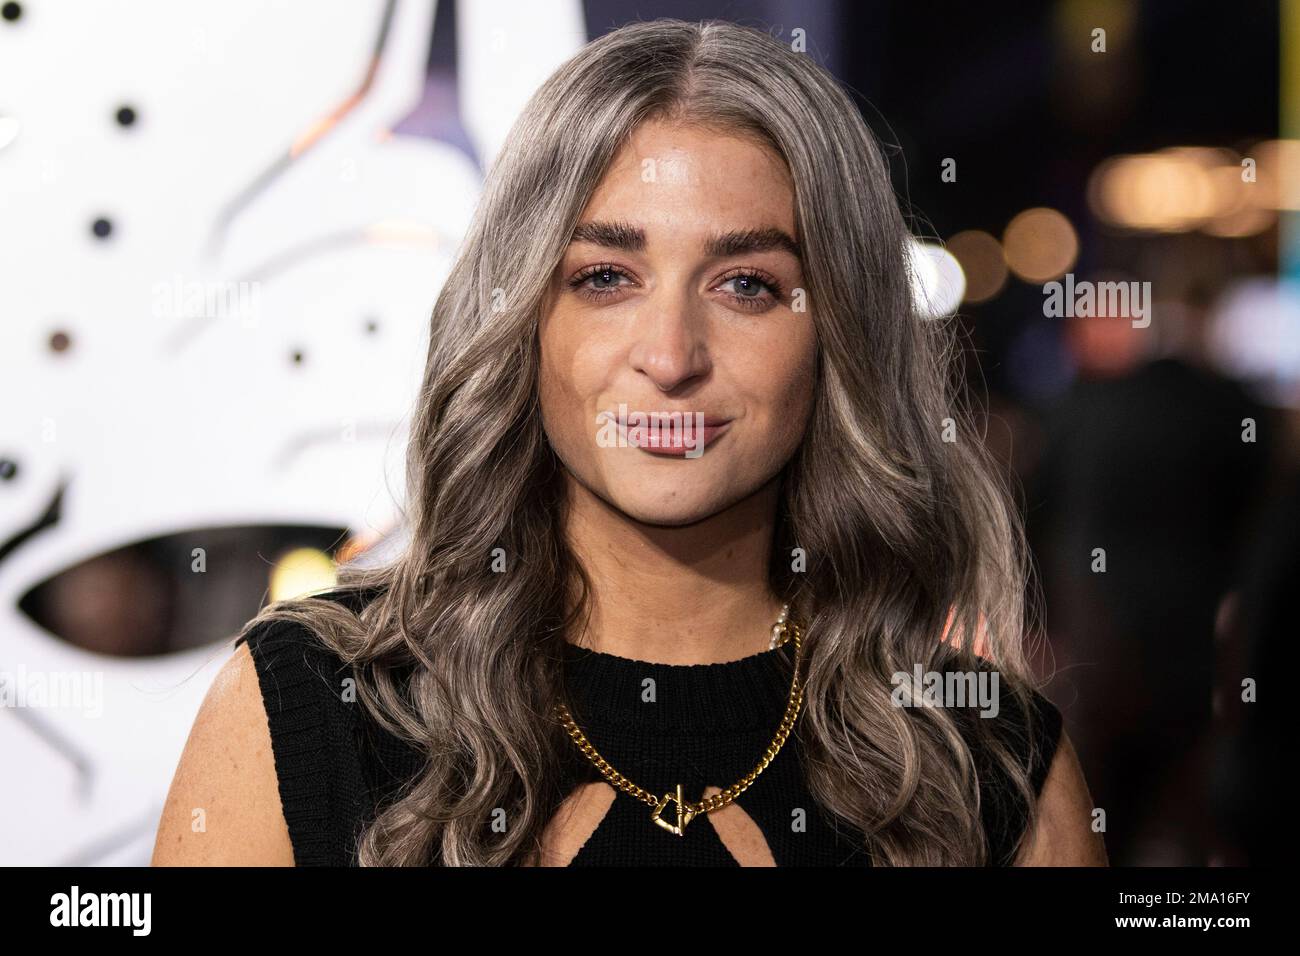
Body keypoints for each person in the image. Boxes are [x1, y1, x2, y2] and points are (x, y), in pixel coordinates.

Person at [152, 18, 1105, 867]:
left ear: (838, 334)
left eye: (747, 286)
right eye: (607, 277)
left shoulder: (985, 760)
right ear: (523, 316)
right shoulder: (313, 708)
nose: (670, 354)